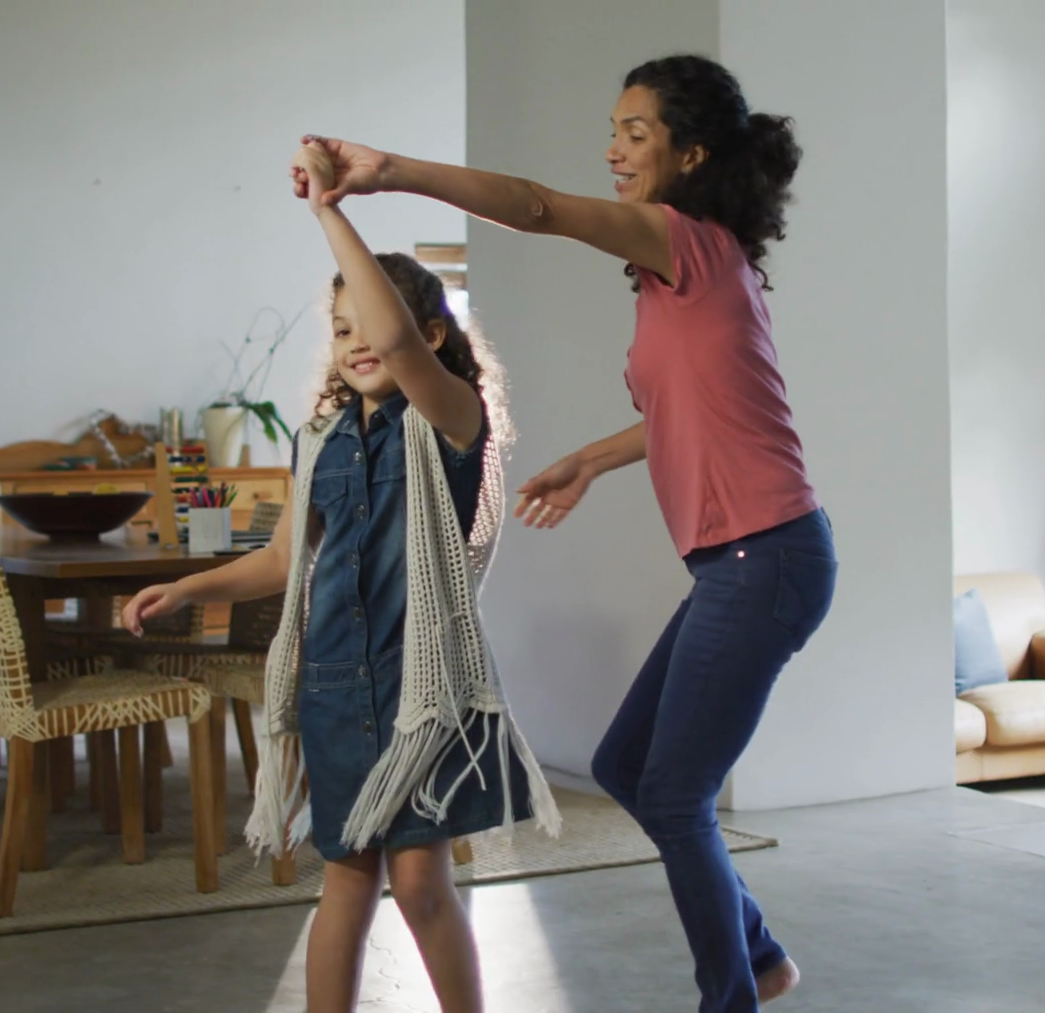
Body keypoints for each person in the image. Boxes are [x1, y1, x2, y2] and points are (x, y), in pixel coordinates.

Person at [296, 54, 837, 1011]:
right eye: (615, 130)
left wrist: (389, 173)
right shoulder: (687, 275)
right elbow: (707, 411)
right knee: (630, 766)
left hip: (769, 557)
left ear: (691, 152)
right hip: (740, 563)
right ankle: (755, 954)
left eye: (636, 133)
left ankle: (735, 993)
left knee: (675, 794)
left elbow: (538, 207)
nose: (615, 150)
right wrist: (591, 457)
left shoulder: (686, 240)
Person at [121, 141, 558, 1013]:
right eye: (342, 328)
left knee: (422, 884)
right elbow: (286, 561)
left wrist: (329, 209)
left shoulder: (449, 423)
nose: (359, 341)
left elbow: (395, 341)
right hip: (329, 688)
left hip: (419, 690)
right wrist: (190, 590)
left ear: (430, 335)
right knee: (344, 886)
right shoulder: (317, 442)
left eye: (373, 323)